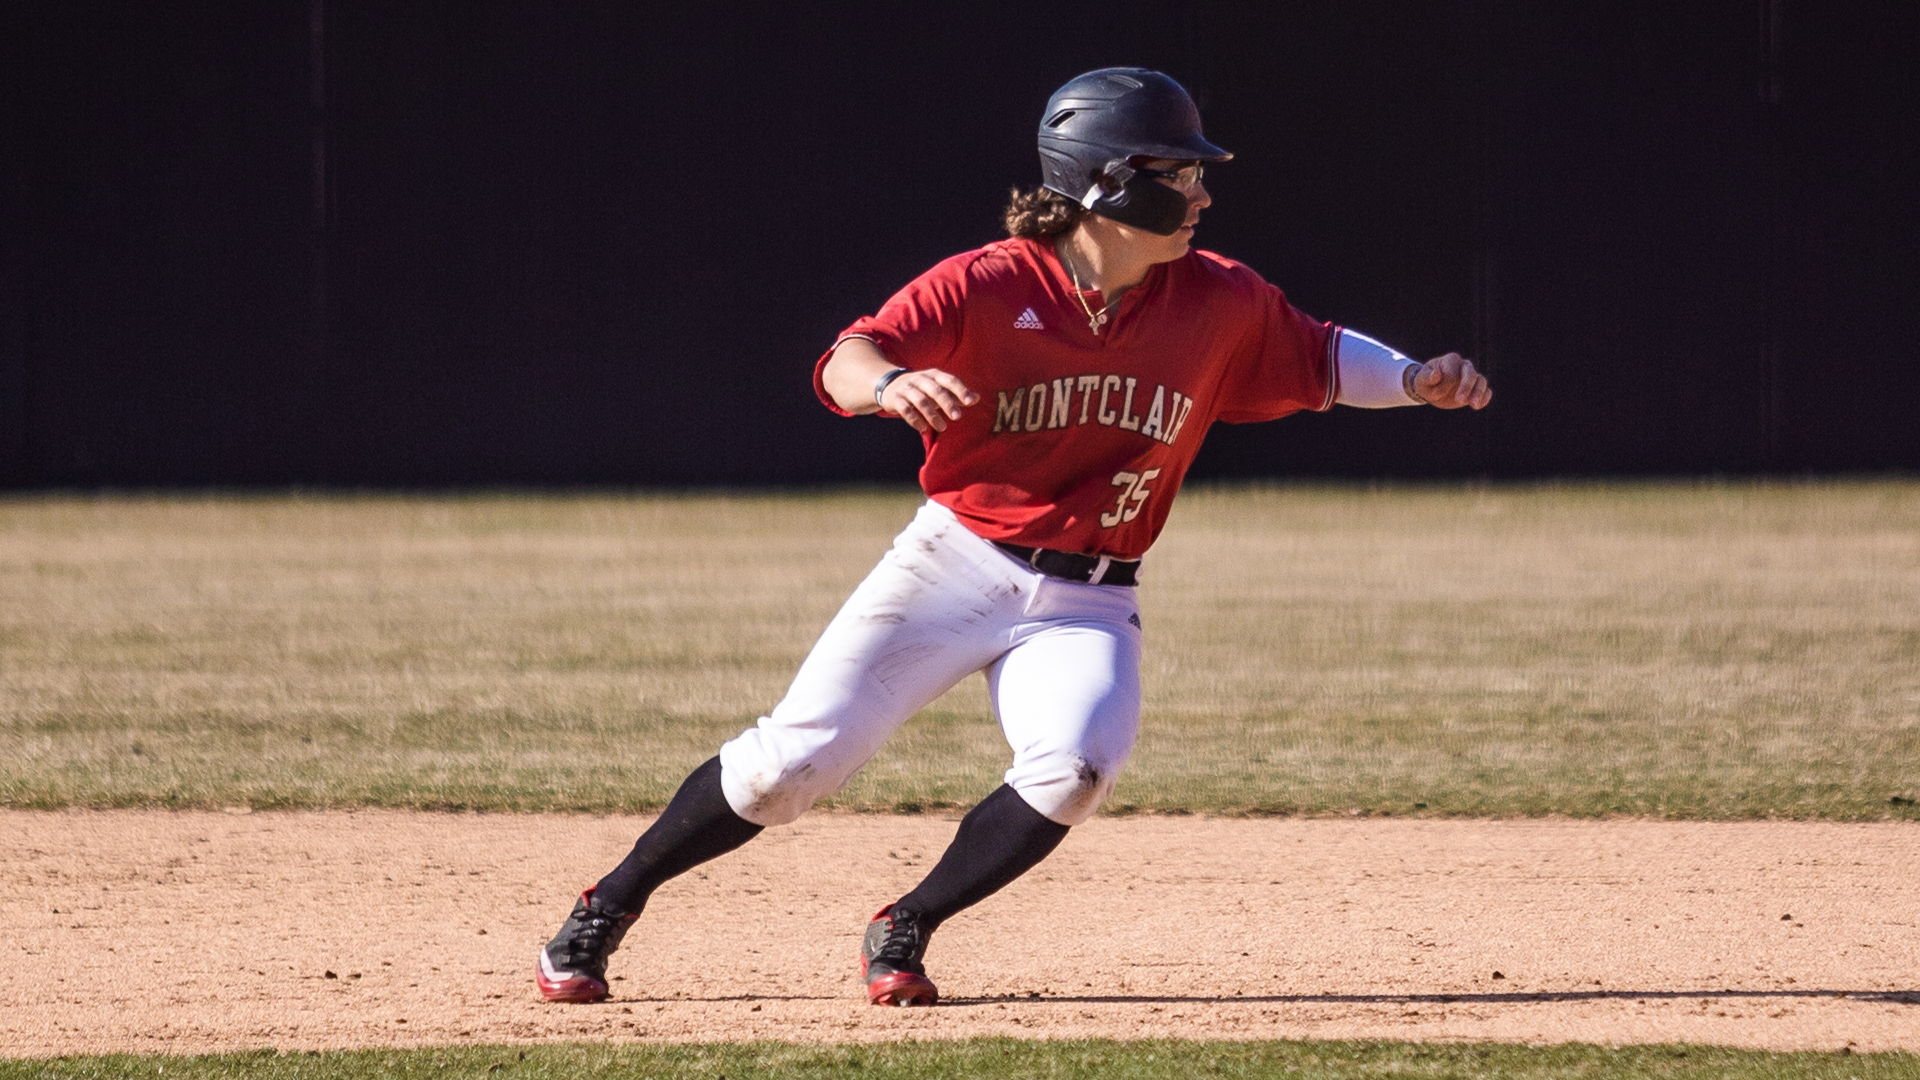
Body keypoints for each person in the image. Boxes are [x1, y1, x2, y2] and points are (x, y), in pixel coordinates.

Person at [537, 67, 1492, 1008]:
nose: (1202, 192)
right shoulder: (989, 285)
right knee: (789, 767)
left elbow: (1320, 354)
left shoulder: (1219, 297)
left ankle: (906, 924)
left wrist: (1415, 379)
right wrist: (888, 385)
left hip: (1091, 595)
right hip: (955, 564)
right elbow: (848, 358)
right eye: (1178, 172)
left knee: (1074, 771)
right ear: (1104, 181)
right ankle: (607, 905)